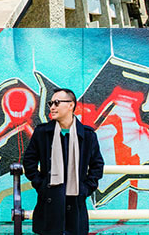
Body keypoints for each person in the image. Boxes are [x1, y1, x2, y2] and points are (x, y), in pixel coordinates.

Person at [22, 87, 104, 235]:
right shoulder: (42, 133)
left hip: (76, 204)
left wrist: (85, 189)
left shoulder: (87, 135)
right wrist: (41, 185)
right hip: (49, 203)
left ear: (71, 105)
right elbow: (29, 162)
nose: (52, 107)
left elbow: (97, 165)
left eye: (57, 103)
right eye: (50, 103)